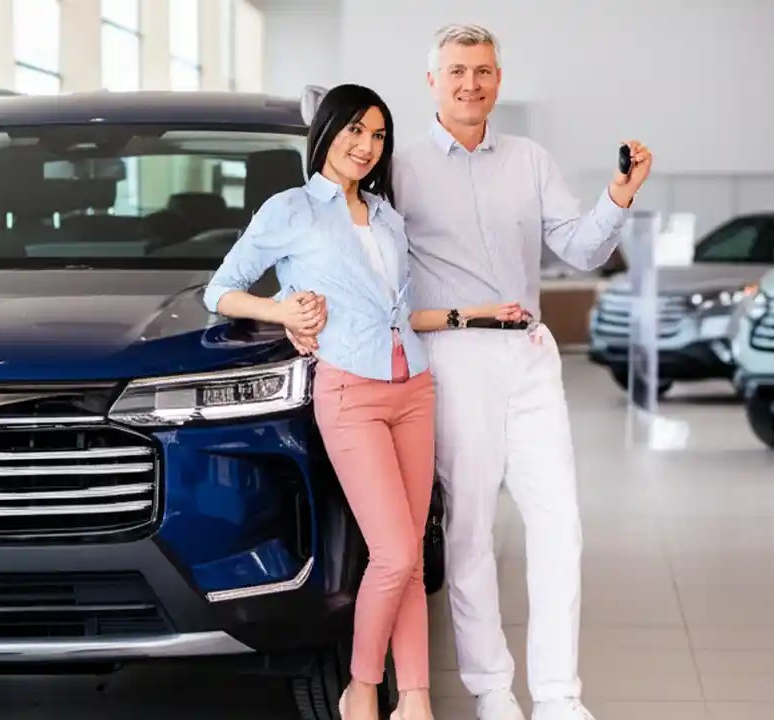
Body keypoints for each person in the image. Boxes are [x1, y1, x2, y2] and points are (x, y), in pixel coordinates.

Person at [292, 24, 653, 720]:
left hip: (531, 355)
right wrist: (300, 309)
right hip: (453, 356)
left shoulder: (530, 159)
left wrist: (617, 195)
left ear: (498, 80)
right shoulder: (398, 168)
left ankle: (558, 695)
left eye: (482, 70)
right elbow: (346, 244)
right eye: (456, 70)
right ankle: (492, 689)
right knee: (471, 529)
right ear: (432, 82)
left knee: (560, 523)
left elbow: (580, 251)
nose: (470, 83)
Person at [203, 83, 518, 720]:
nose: (366, 146)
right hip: (350, 394)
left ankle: (417, 700)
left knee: (408, 556)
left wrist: (473, 313)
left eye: (377, 135)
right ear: (325, 132)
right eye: (354, 130)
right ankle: (363, 687)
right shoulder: (291, 210)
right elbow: (222, 290)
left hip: (414, 387)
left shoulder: (385, 216)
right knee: (394, 553)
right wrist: (283, 310)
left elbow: (397, 312)